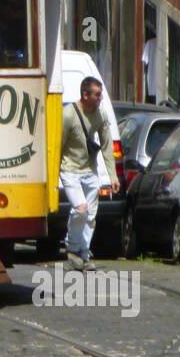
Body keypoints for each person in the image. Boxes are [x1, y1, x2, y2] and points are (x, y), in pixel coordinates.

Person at [60, 76, 120, 269]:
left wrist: (112, 175)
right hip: (70, 169)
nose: (101, 98)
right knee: (80, 209)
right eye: (97, 94)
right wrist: (53, 174)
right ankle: (72, 246)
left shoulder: (100, 114)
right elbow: (58, 145)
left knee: (91, 215)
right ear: (85, 95)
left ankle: (83, 255)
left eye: (101, 94)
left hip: (90, 171)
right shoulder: (68, 115)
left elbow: (107, 145)